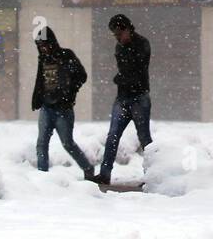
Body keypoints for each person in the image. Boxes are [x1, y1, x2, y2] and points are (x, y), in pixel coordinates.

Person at [31, 26, 98, 180]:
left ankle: (87, 168)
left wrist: (69, 92)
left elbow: (81, 75)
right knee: (41, 143)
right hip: (47, 107)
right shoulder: (43, 59)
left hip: (63, 108)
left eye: (45, 46)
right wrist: (37, 97)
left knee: (67, 143)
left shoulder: (66, 55)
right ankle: (43, 176)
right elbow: (40, 80)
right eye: (40, 47)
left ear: (52, 43)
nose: (43, 49)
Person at [97, 14, 153, 185]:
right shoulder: (119, 47)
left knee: (144, 138)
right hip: (123, 97)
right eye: (115, 35)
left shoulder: (142, 44)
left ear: (128, 30)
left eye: (120, 34)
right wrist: (123, 78)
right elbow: (126, 71)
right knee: (112, 136)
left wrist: (122, 78)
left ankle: (151, 176)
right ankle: (104, 174)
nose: (118, 38)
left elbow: (136, 71)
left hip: (139, 97)